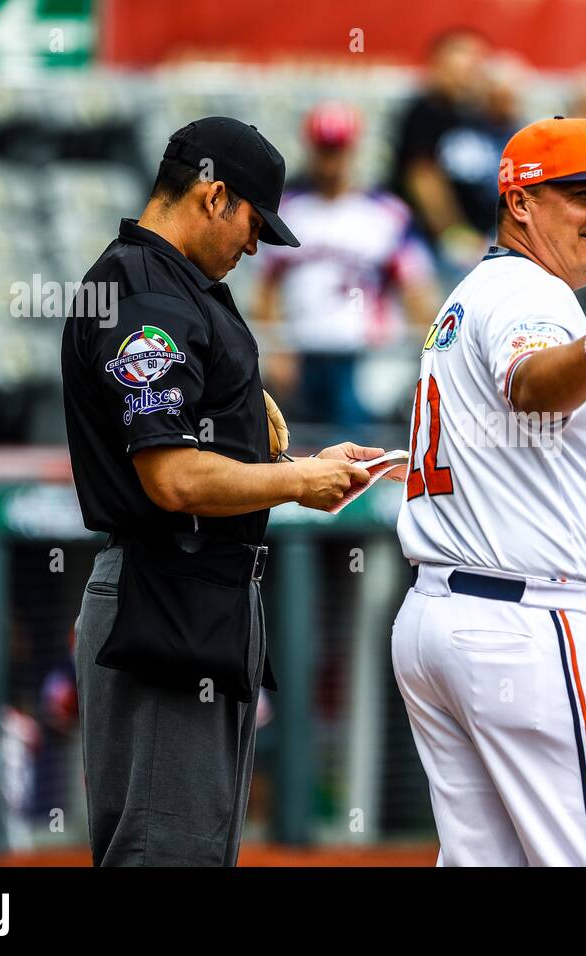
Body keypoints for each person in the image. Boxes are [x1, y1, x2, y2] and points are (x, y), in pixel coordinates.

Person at [61, 116, 375, 867]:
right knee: (164, 857)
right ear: (213, 194)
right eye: (252, 221)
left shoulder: (170, 284)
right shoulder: (147, 291)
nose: (256, 244)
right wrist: (299, 481)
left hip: (193, 598)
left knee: (183, 852)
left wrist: (256, 423)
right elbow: (171, 476)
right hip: (164, 597)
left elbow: (193, 438)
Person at [391, 116, 586, 866]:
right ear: (521, 203)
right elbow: (529, 388)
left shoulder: (472, 294)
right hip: (529, 622)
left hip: (449, 618)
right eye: (583, 194)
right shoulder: (529, 292)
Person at [255, 102, 439, 429]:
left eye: (337, 149)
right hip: (303, 349)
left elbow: (416, 289)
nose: (330, 160)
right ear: (310, 148)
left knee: (360, 450)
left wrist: (424, 358)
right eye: (324, 150)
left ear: (353, 149)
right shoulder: (288, 210)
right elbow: (266, 288)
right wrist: (275, 349)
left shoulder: (386, 212)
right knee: (300, 449)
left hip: (366, 354)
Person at [390, 28, 501, 272]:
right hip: (436, 244)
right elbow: (423, 178)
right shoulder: (424, 113)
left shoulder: (475, 116)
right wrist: (453, 233)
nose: (472, 67)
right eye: (463, 58)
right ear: (438, 64)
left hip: (480, 240)